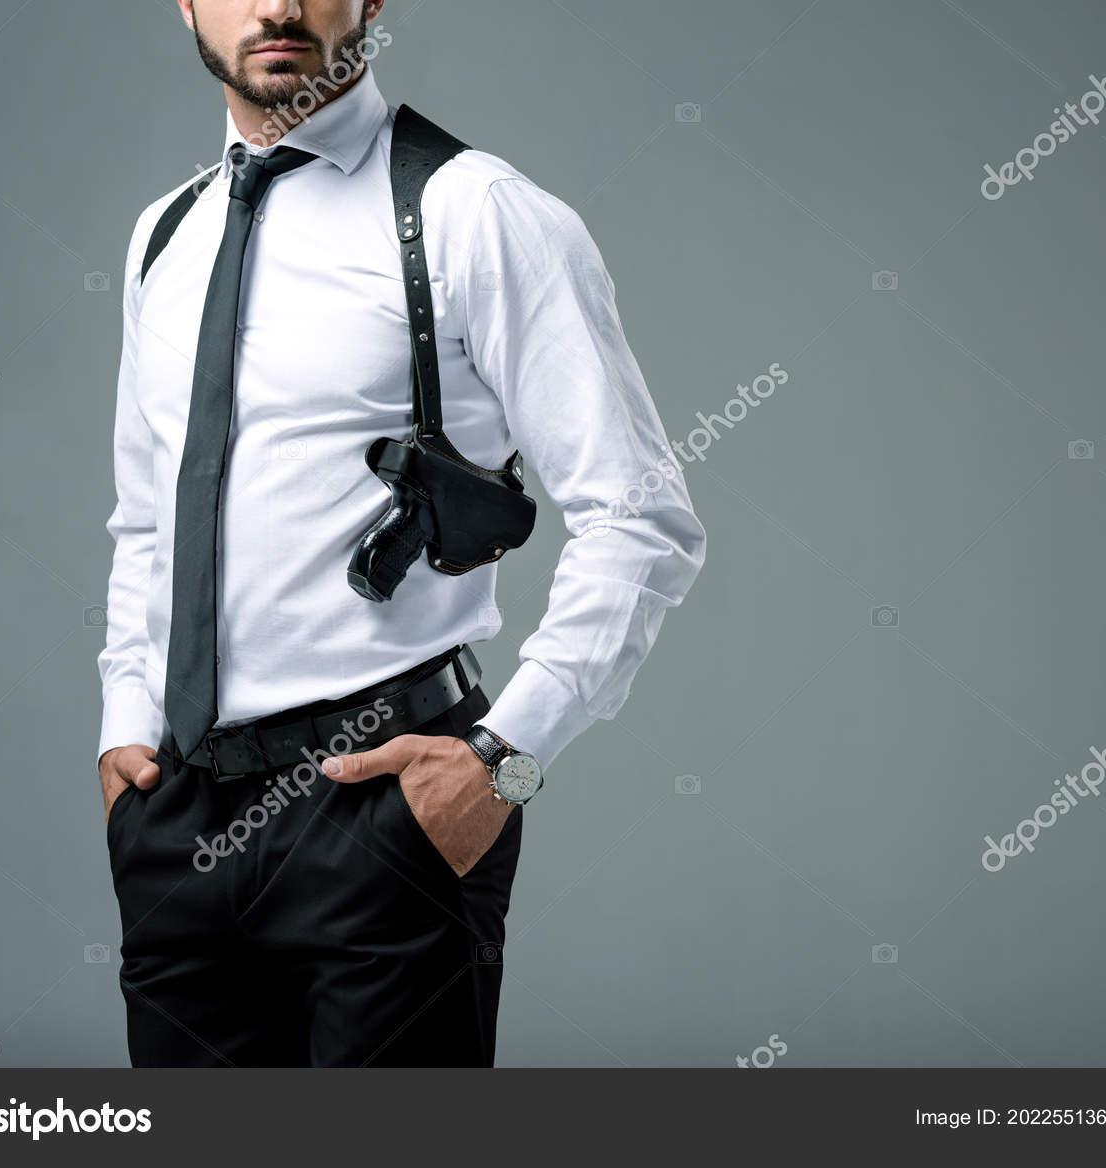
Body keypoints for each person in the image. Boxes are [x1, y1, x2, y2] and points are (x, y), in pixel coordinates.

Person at [96, 0, 706, 1067]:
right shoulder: (165, 234)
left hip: (386, 807)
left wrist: (504, 765)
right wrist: (121, 725)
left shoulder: (475, 212)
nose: (279, 5)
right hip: (177, 822)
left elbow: (641, 517)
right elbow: (146, 515)